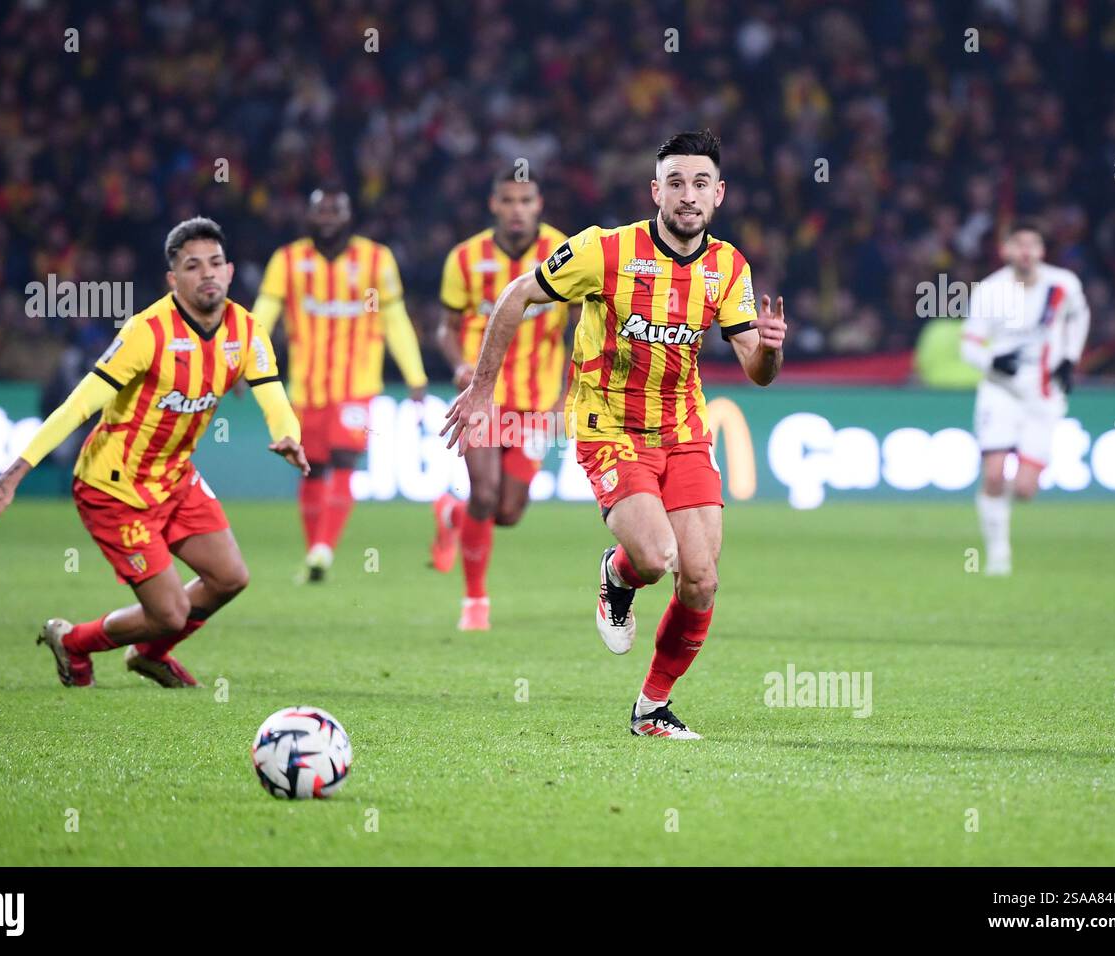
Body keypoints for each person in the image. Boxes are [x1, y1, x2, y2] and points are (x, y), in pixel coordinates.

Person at [442, 131, 787, 738]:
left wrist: (773, 351)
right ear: (656, 191)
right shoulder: (605, 251)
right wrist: (483, 390)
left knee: (702, 579)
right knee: (656, 559)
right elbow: (517, 295)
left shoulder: (728, 267)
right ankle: (619, 573)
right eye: (676, 183)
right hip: (608, 423)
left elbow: (756, 371)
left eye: (701, 183)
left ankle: (652, 707)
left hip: (682, 428)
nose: (688, 195)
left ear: (720, 194)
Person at [0, 217, 307, 688]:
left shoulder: (246, 330)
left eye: (216, 264)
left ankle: (149, 656)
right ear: (172, 279)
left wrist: (288, 433)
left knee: (230, 578)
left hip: (175, 478)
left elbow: (273, 394)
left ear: (231, 271)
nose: (207, 274)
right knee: (170, 613)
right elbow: (78, 405)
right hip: (114, 488)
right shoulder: (146, 332)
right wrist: (14, 472)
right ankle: (73, 641)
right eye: (193, 266)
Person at [254, 186, 428, 583]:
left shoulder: (375, 259)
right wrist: (243, 361)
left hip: (357, 384)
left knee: (346, 460)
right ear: (310, 216)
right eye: (321, 210)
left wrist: (415, 375)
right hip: (307, 387)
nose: (329, 217)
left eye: (336, 209)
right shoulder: (288, 260)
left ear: (350, 215)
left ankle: (323, 549)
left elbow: (395, 318)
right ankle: (315, 550)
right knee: (310, 469)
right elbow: (264, 313)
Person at [429, 167, 573, 630]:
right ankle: (475, 602)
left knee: (507, 513)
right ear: (494, 205)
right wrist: (459, 367)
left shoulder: (565, 253)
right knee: (486, 493)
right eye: (508, 201)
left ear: (539, 204)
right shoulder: (465, 258)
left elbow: (581, 331)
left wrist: (566, 396)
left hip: (538, 403)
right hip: (484, 399)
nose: (517, 210)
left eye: (525, 201)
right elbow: (445, 329)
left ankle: (452, 514)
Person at [961, 220, 1090, 576]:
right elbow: (968, 345)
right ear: (1005, 250)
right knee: (994, 474)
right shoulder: (990, 290)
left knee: (1025, 488)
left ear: (1042, 251)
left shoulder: (1063, 285)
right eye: (1018, 244)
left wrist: (1070, 358)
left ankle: (1001, 514)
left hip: (1043, 394)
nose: (1026, 251)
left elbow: (1080, 318)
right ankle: (998, 553)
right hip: (1000, 391)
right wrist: (992, 361)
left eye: (1033, 244)